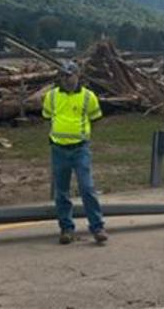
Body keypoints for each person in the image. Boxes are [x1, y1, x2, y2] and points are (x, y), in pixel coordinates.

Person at [43, 60, 107, 244]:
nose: (66, 79)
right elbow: (47, 117)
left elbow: (96, 118)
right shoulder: (52, 96)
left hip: (80, 149)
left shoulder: (89, 97)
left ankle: (97, 227)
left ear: (78, 76)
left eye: (69, 75)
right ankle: (66, 229)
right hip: (59, 149)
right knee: (62, 192)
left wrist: (83, 134)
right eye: (63, 76)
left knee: (87, 188)